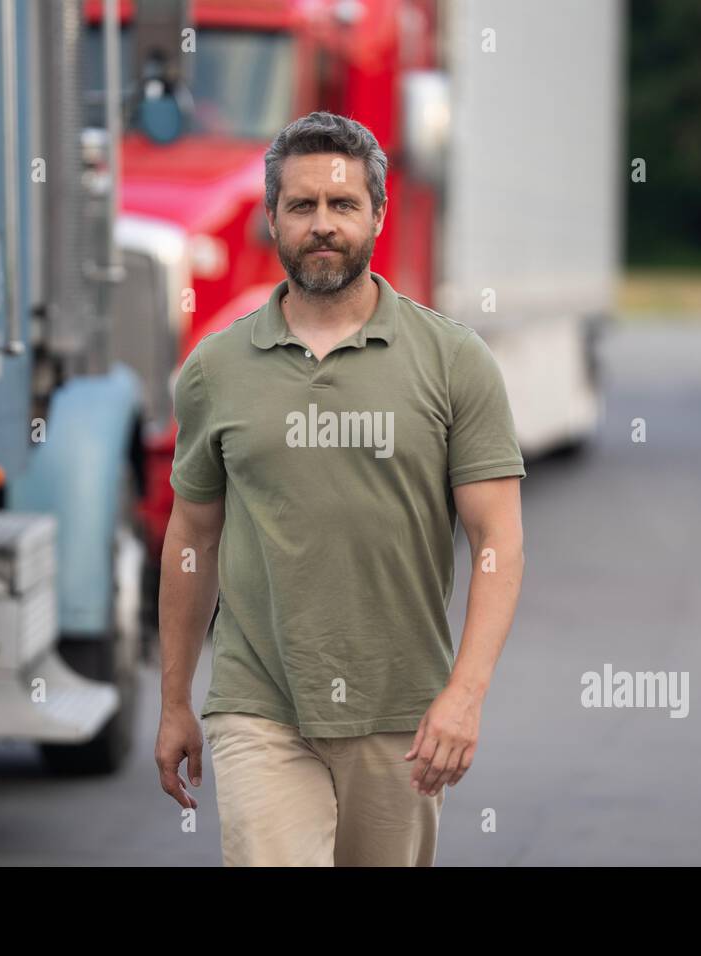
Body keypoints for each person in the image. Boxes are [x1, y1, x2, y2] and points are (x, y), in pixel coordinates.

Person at [154, 111, 526, 866]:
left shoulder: (454, 361)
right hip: (259, 701)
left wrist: (465, 694)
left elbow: (499, 539)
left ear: (378, 215)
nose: (323, 224)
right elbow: (192, 535)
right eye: (302, 206)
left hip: (401, 710)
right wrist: (174, 701)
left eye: (342, 204)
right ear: (272, 219)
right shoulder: (216, 368)